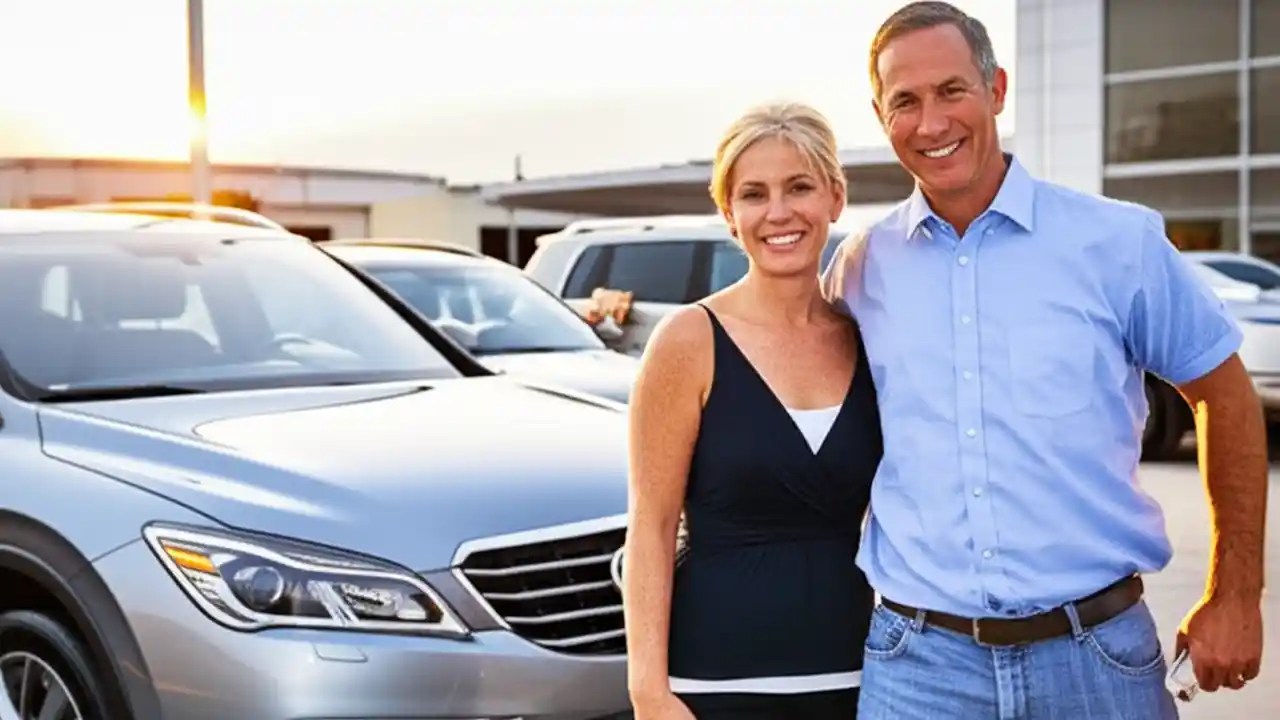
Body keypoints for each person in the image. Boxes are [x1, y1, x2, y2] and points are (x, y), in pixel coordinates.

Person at [822, 2, 1268, 718]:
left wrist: (1236, 590)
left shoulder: (1116, 242)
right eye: (905, 101)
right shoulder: (861, 269)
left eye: (952, 91)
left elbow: (1224, 393)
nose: (931, 124)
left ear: (996, 90)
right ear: (880, 116)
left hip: (1097, 660)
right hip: (919, 669)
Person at [623, 101, 882, 719]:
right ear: (728, 214)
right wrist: (649, 692)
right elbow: (650, 527)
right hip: (714, 684)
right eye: (754, 194)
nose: (779, 213)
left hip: (859, 679)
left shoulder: (868, 335)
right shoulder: (689, 341)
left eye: (799, 187)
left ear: (835, 197)